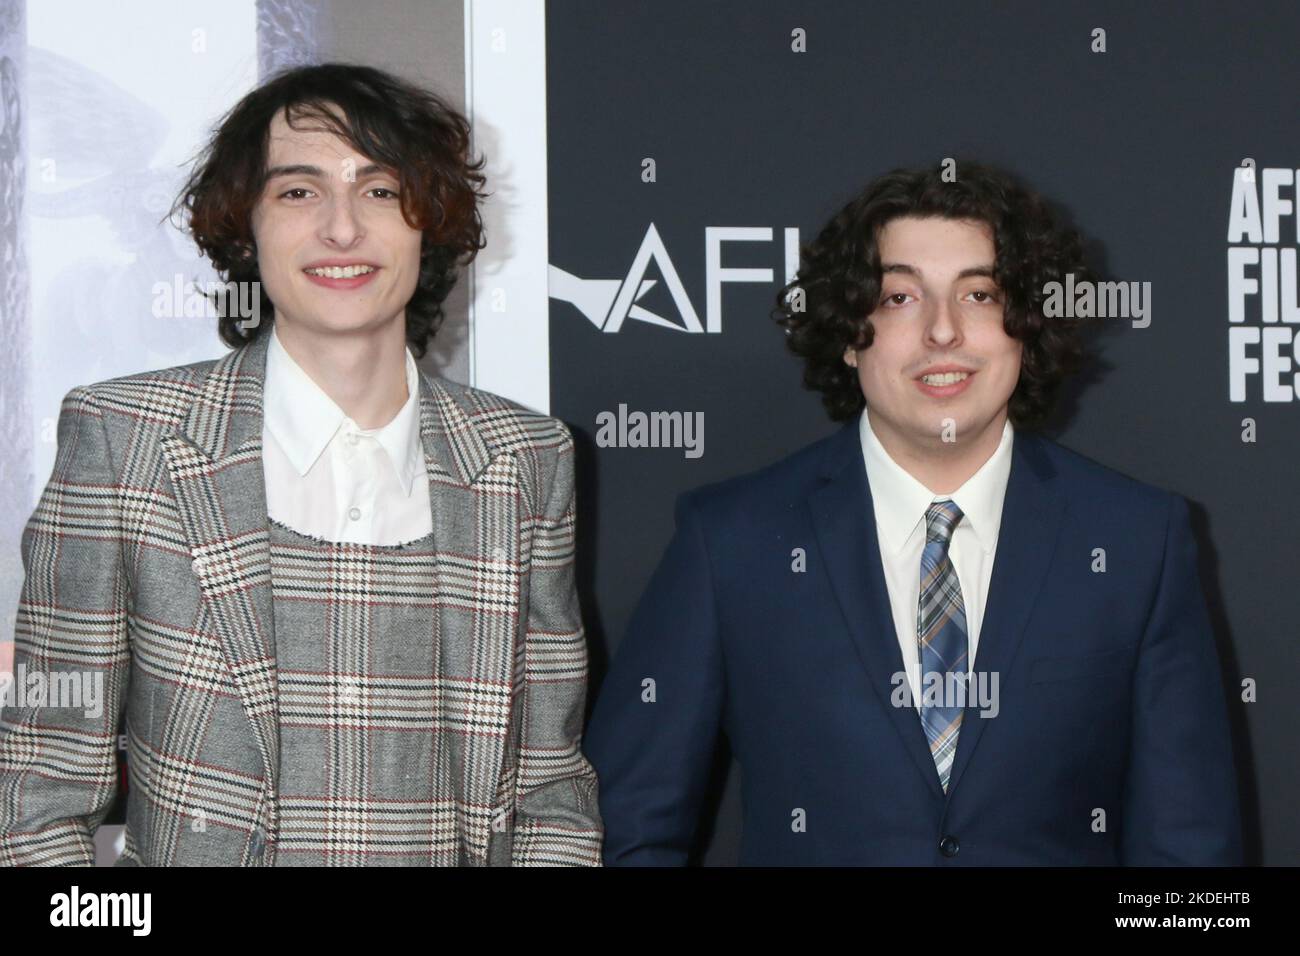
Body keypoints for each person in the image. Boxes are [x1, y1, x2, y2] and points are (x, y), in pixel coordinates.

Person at [0, 63, 601, 866]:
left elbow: (551, 796)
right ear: (245, 228)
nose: (343, 229)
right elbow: (36, 802)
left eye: (381, 190)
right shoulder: (124, 441)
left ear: (432, 223)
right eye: (298, 192)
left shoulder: (527, 461)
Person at [584, 161, 1242, 866]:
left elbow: (1191, 858)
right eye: (899, 297)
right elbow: (627, 830)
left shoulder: (1137, 540)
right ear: (845, 331)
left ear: (1028, 323)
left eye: (981, 294)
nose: (942, 332)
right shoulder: (732, 541)